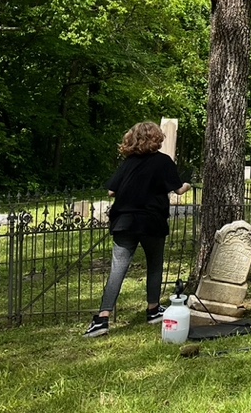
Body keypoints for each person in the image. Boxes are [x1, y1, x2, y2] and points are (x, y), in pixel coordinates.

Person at [83, 121, 190, 338]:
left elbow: (111, 192)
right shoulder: (163, 162)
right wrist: (187, 185)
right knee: (154, 265)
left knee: (117, 269)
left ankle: (102, 318)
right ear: (156, 139)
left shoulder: (128, 162)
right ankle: (153, 310)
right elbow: (178, 190)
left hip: (124, 220)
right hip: (152, 220)